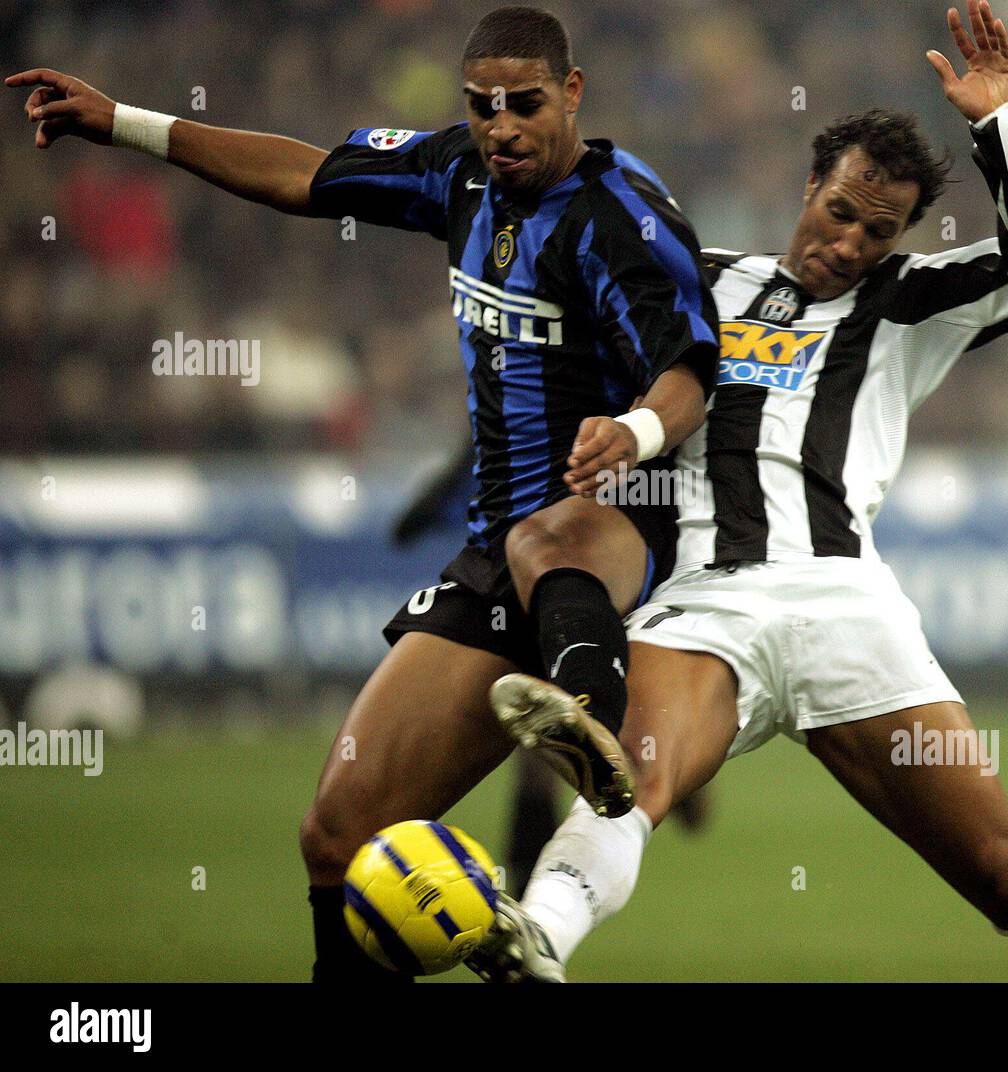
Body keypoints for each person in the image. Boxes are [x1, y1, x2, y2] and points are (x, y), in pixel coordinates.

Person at [8, 4, 720, 982]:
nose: (502, 125)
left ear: (573, 93)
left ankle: (587, 714)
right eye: (482, 106)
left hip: (615, 519)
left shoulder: (625, 216)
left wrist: (631, 430)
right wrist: (125, 122)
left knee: (550, 542)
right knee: (338, 834)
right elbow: (302, 172)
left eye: (524, 103)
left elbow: (693, 372)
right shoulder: (457, 171)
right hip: (493, 544)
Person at [475, 1, 1008, 983]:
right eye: (837, 212)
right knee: (626, 787)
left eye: (876, 230)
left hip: (844, 608)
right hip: (704, 605)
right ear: (806, 186)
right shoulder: (692, 280)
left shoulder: (909, 305)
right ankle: (538, 944)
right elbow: (551, 322)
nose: (848, 244)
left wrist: (1001, 122)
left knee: (1005, 876)